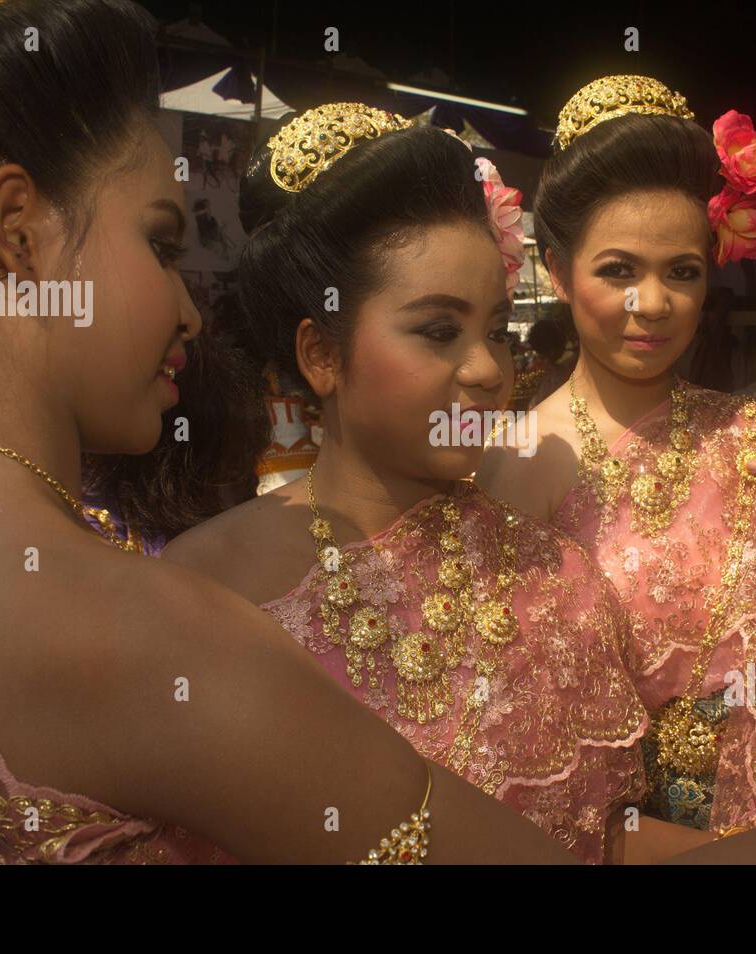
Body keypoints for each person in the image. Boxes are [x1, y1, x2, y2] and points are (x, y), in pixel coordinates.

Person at [0, 1, 756, 866]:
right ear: (16, 236)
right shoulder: (139, 621)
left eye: (684, 273)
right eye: (162, 240)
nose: (187, 297)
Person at [161, 104, 651, 864]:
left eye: (496, 330)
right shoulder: (201, 592)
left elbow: (608, 840)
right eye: (438, 331)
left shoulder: (555, 575)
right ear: (322, 355)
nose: (490, 371)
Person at [477, 76, 756, 838]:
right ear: (558, 272)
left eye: (682, 272)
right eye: (619, 271)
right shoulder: (516, 464)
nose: (654, 304)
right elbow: (513, 735)